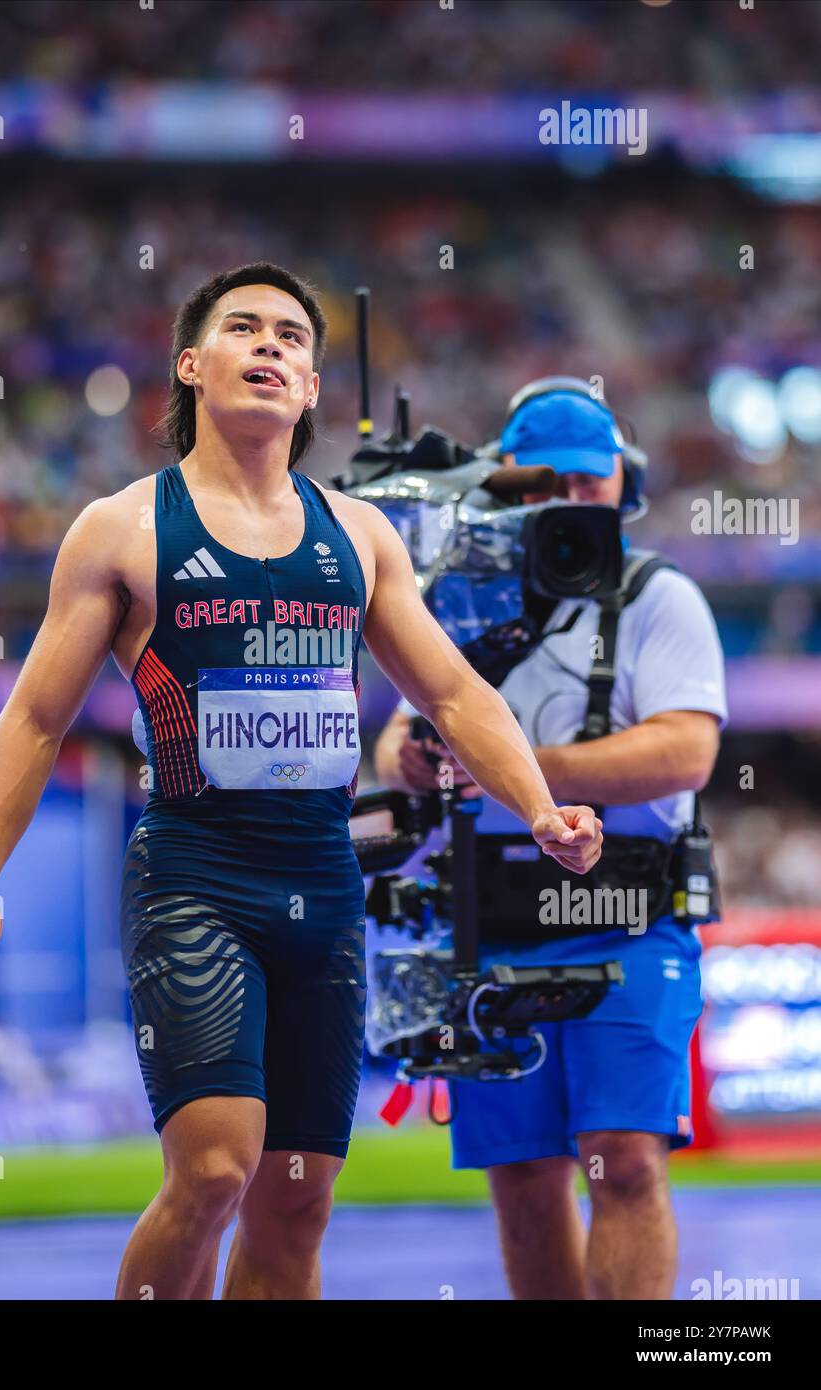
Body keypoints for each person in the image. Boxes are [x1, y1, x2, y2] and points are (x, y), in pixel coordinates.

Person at [0, 266, 602, 1300]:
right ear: (191, 366)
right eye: (242, 327)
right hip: (195, 876)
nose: (270, 346)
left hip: (325, 892)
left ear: (312, 387)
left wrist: (541, 808)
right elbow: (31, 719)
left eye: (292, 337)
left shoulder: (359, 537)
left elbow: (458, 695)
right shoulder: (124, 529)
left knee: (296, 1200)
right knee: (211, 1168)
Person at [375, 380, 727, 1300]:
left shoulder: (658, 594)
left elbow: (688, 748)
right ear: (507, 490)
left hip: (628, 911)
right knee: (525, 1182)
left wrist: (518, 768)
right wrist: (411, 761)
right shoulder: (451, 600)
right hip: (490, 921)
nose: (568, 505)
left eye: (586, 485)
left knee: (625, 1159)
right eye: (546, 487)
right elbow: (397, 732)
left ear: (623, 487)